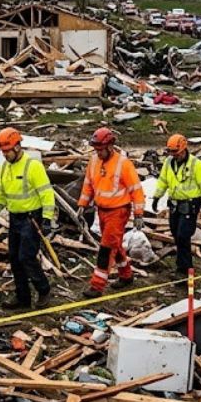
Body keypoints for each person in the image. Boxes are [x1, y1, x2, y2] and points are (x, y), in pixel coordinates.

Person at [0, 127, 55, 310]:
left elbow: (47, 194)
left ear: (16, 147)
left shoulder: (32, 166)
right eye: (2, 152)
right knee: (15, 258)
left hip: (31, 219)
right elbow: (0, 193)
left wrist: (47, 219)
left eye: (6, 151)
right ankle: (22, 297)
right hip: (15, 218)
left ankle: (43, 289)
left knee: (26, 257)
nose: (4, 155)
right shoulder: (4, 168)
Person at [77, 127, 145, 298]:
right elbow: (88, 185)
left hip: (119, 211)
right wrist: (82, 204)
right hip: (102, 210)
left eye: (101, 150)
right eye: (96, 149)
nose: (98, 153)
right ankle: (126, 275)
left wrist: (138, 214)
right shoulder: (94, 161)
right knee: (115, 245)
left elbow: (136, 190)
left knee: (106, 248)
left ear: (110, 146)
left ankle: (97, 286)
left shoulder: (123, 164)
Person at [151, 134, 201, 274]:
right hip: (174, 205)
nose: (174, 155)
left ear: (184, 149)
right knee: (176, 234)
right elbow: (163, 181)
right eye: (171, 152)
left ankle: (185, 268)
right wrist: (156, 197)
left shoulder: (196, 164)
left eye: (176, 153)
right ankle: (182, 265)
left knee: (183, 235)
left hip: (190, 205)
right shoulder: (168, 162)